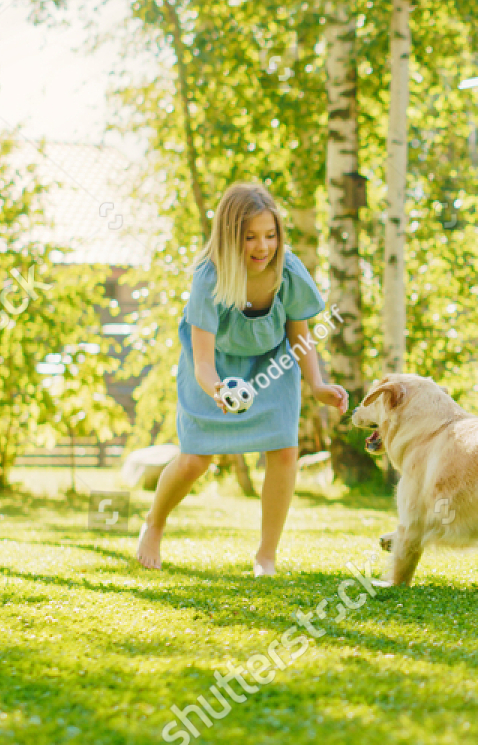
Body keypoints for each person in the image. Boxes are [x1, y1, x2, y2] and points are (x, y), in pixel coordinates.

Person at [135, 182, 349, 576]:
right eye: (250, 237)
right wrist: (216, 389)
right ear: (231, 236)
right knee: (194, 461)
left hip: (272, 366)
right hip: (214, 370)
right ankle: (154, 523)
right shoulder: (208, 277)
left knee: (285, 452)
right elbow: (201, 359)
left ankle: (265, 556)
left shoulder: (287, 270)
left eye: (270, 235)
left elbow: (299, 336)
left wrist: (317, 384)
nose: (262, 246)